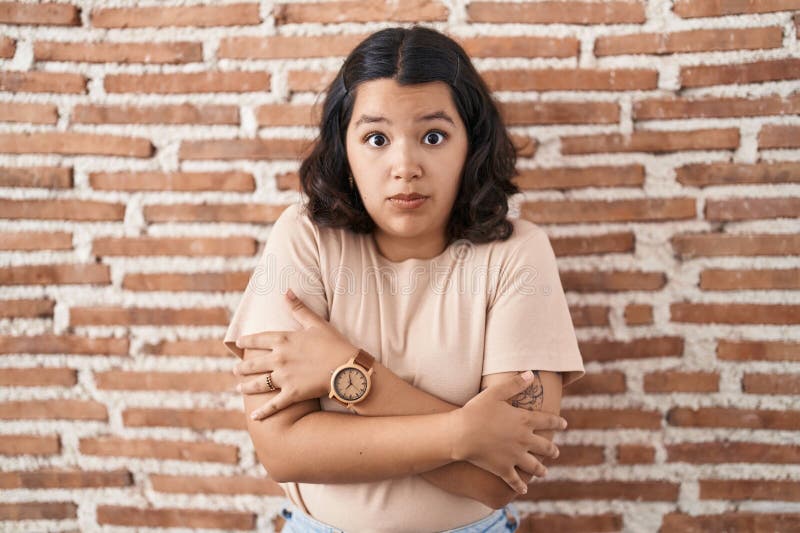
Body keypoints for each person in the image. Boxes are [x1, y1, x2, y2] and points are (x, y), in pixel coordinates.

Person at [223, 25, 585, 533]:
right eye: (376, 138)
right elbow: (282, 450)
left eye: (433, 136)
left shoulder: (518, 253)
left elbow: (503, 478)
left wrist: (350, 376)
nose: (405, 166)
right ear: (344, 148)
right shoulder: (304, 237)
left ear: (471, 144)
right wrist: (464, 432)